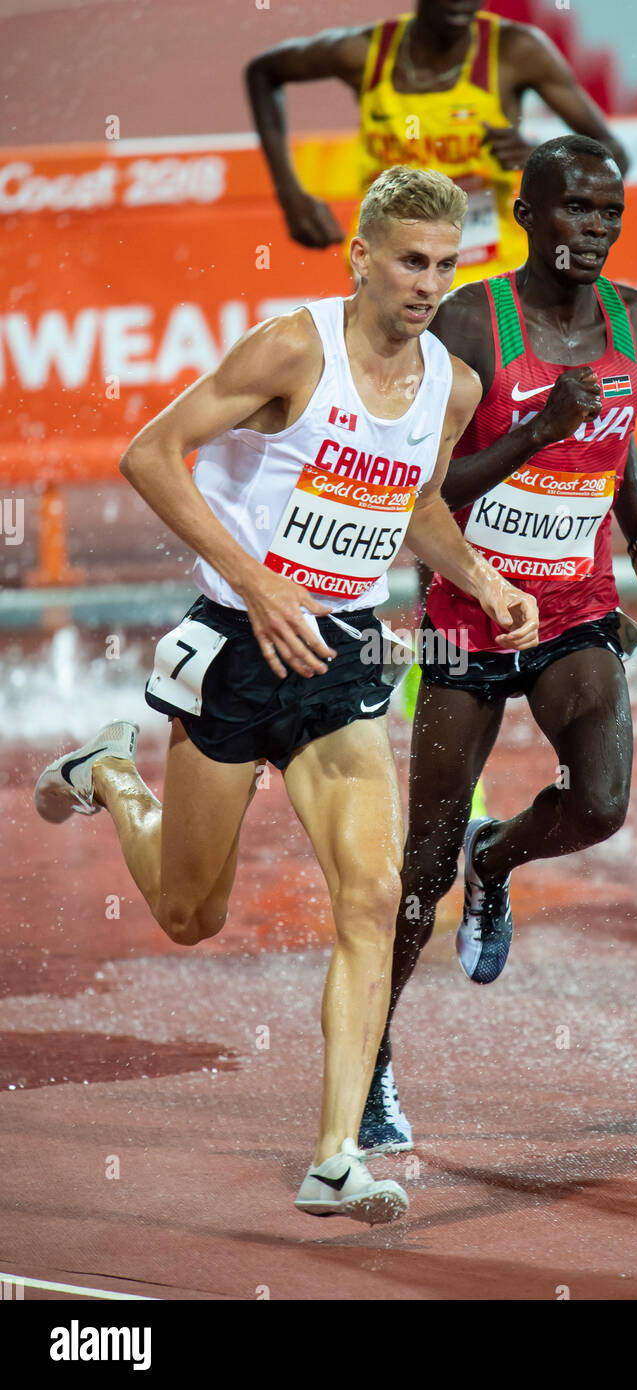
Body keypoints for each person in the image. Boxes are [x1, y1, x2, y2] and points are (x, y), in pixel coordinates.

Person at [33, 166, 538, 1225]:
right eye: (409, 260)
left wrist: (483, 575)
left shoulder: (449, 381)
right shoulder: (291, 347)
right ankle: (109, 771)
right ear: (360, 255)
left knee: (372, 897)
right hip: (235, 645)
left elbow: (419, 507)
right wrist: (258, 582)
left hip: (345, 656)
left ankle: (335, 1155)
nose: (427, 284)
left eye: (445, 266)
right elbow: (149, 455)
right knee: (187, 913)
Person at [357, 136, 637, 1155]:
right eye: (577, 210)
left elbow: (616, 438)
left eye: (611, 213)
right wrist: (535, 433)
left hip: (581, 605)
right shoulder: (471, 322)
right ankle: (367, 1065)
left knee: (601, 803)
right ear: (528, 212)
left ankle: (497, 859)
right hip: (466, 611)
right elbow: (428, 493)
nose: (596, 228)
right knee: (420, 872)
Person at [246, 0, 629, 287]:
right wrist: (290, 195)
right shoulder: (365, 53)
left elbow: (616, 156)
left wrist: (545, 159)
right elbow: (264, 72)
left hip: (489, 269)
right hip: (387, 269)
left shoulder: (515, 51)